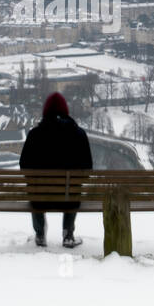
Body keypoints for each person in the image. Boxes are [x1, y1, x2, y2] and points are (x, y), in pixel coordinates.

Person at [19, 91, 93, 248]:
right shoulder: (79, 134)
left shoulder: (34, 135)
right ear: (65, 110)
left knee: (34, 189)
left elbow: (24, 166)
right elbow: (87, 169)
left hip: (40, 199)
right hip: (68, 199)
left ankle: (40, 234)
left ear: (45, 111)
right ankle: (68, 235)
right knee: (74, 189)